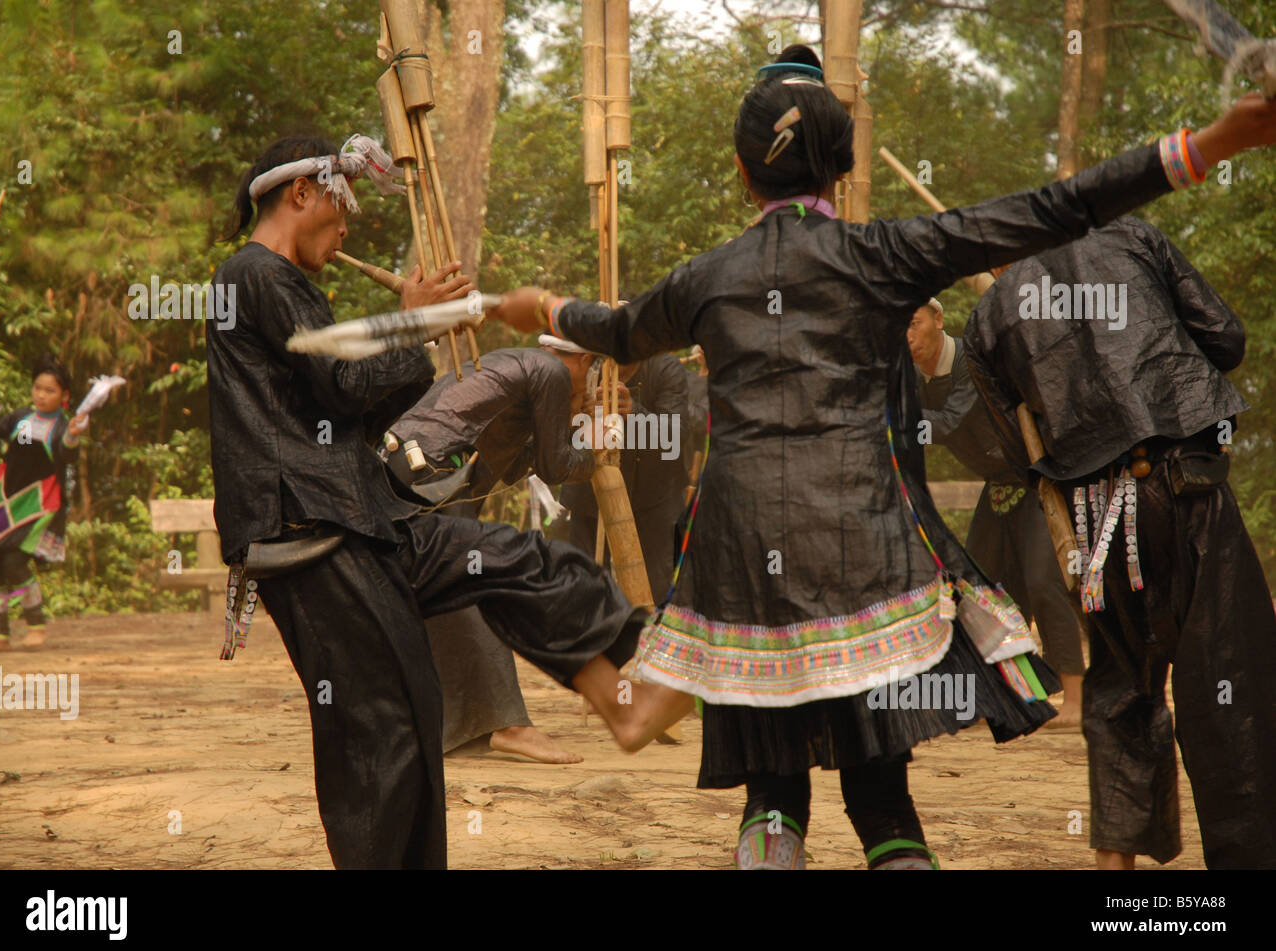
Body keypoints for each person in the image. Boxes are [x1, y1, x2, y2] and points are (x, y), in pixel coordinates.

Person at [488, 47, 1276, 870]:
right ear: (840, 169)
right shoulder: (885, 255)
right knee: (881, 795)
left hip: (736, 553)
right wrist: (1211, 143)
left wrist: (539, 307)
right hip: (865, 548)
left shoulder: (705, 278)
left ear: (739, 173)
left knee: (769, 786)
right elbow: (1057, 208)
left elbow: (614, 331)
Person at [207, 134, 692, 869]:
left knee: (519, 561)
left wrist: (416, 328)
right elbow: (346, 385)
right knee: (383, 726)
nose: (344, 239)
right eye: (340, 222)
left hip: (365, 518)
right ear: (300, 195)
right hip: (310, 527)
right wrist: (419, 324)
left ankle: (628, 698)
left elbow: (354, 412)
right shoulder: (255, 275)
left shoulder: (283, 289)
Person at [962, 215, 1276, 870]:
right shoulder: (1136, 239)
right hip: (1183, 488)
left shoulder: (990, 316)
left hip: (1094, 516)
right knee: (1228, 682)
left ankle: (1117, 879)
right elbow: (1227, 338)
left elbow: (1013, 445)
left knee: (1119, 694)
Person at [381, 339, 599, 764]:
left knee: (443, 593)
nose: (587, 390)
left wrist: (575, 421)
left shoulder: (515, 364)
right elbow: (557, 467)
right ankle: (511, 726)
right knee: (474, 577)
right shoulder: (550, 371)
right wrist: (598, 452)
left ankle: (461, 725)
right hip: (426, 471)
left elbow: (517, 462)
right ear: (585, 359)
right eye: (591, 378)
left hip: (407, 467)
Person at [908, 297, 1088, 726]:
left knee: (1044, 581)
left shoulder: (971, 361)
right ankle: (1001, 694)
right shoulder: (909, 377)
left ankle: (1078, 699)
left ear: (938, 318)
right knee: (974, 592)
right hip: (997, 488)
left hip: (1034, 481)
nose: (908, 338)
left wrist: (892, 422)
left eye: (913, 325)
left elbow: (947, 422)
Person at [0, 353, 89, 652]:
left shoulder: (64, 428)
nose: (41, 395)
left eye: (49, 390)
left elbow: (68, 455)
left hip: (40, 506)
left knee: (15, 562)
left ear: (64, 396)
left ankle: (36, 627)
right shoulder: (18, 418)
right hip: (5, 503)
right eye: (38, 388)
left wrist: (75, 437)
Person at [560, 352, 691, 603]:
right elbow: (561, 426)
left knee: (660, 591)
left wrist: (633, 413)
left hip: (653, 502)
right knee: (586, 587)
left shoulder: (665, 368)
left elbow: (674, 437)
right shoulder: (584, 365)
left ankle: (653, 639)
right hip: (590, 495)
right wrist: (580, 413)